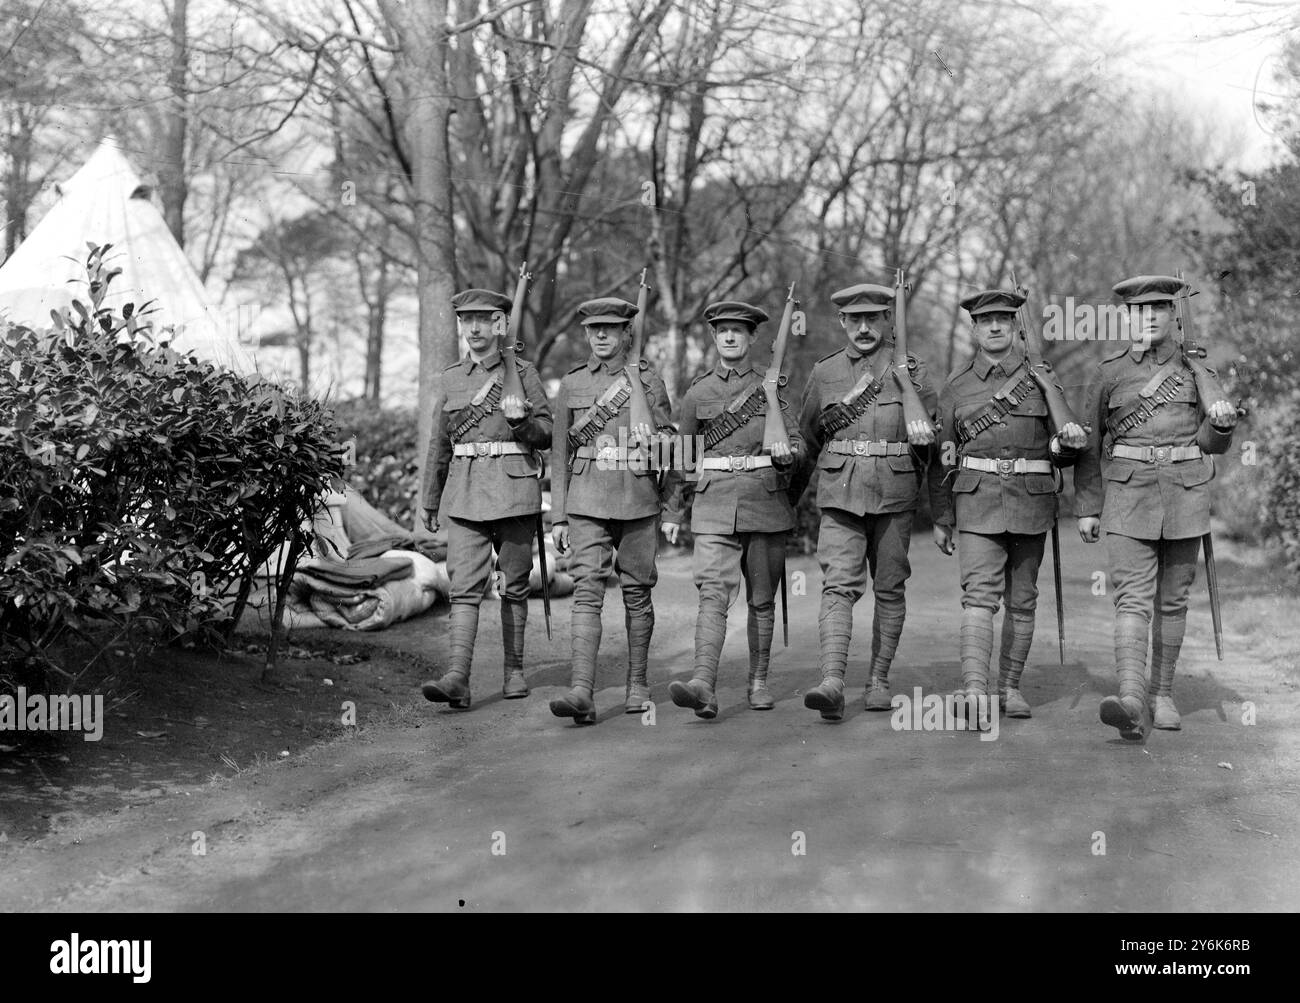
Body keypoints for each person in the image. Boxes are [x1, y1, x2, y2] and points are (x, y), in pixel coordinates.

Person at [1075, 274, 1239, 739]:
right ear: (1126, 316)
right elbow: (1089, 446)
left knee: (1173, 600)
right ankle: (1129, 697)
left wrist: (1222, 426)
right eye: (1137, 311)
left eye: (1157, 311)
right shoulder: (1109, 374)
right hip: (1127, 496)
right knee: (1131, 598)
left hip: (1186, 494)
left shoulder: (1198, 371)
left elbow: (1211, 442)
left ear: (1172, 316)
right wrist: (1087, 506)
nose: (1146, 318)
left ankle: (1162, 694)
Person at [934, 289, 1087, 725]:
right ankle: (974, 689)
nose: (996, 327)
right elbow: (944, 454)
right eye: (987, 321)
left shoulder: (1042, 376)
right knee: (978, 598)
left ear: (1016, 326)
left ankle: (1010, 687)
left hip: (1031, 500)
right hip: (977, 500)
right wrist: (943, 516)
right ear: (975, 329)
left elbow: (1067, 445)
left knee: (1022, 600)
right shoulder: (956, 384)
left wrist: (1064, 446)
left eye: (1003, 319)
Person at [797, 283, 942, 721]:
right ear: (841, 322)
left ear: (887, 321)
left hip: (895, 496)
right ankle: (833, 681)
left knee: (889, 588)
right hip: (840, 493)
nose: (863, 328)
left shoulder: (914, 372)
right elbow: (806, 437)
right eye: (854, 320)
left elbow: (935, 447)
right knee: (837, 585)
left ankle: (878, 679)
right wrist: (786, 500)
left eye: (873, 318)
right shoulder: (824, 374)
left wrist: (943, 514)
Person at [660, 301, 802, 718]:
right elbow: (685, 455)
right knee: (712, 593)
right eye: (722, 330)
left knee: (762, 598)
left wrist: (787, 451)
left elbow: (799, 442)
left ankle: (758, 681)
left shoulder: (772, 386)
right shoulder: (699, 391)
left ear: (752, 337)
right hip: (714, 500)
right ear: (714, 336)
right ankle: (703, 683)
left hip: (765, 499)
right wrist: (672, 510)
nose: (729, 336)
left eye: (738, 330)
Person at [419, 288, 553, 709]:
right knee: (463, 586)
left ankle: (514, 670)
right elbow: (439, 444)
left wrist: (522, 423)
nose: (473, 328)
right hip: (464, 492)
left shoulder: (525, 373)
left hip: (514, 489)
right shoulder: (451, 378)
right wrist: (429, 498)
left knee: (514, 584)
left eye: (483, 319)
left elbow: (548, 433)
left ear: (500, 325)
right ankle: (458, 676)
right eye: (466, 320)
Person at [549, 297, 676, 724]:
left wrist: (657, 448)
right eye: (594, 329)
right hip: (586, 499)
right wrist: (560, 515)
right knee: (587, 590)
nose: (601, 336)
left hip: (638, 499)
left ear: (626, 333)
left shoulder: (649, 381)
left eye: (611, 328)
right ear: (586, 333)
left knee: (637, 591)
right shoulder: (572, 383)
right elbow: (559, 452)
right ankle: (582, 690)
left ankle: (637, 683)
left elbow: (671, 445)